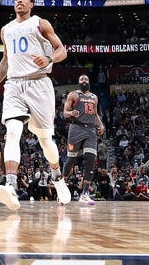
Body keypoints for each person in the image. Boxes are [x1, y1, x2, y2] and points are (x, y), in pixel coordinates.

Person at [0, 0, 72, 211]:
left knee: (45, 140)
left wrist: (49, 57)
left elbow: (62, 50)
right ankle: (10, 185)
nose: (19, 1)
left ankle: (57, 177)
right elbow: (5, 61)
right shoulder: (6, 30)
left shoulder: (40, 23)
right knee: (12, 131)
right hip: (13, 84)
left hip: (39, 82)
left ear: (31, 4)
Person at [60, 72, 105, 204]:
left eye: (86, 79)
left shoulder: (94, 97)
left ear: (89, 82)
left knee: (91, 158)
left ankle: (85, 193)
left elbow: (95, 114)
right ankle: (62, 189)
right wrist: (71, 113)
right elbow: (65, 113)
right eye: (81, 79)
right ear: (79, 82)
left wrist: (101, 124)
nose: (84, 80)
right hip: (76, 129)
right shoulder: (74, 94)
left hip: (90, 129)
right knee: (70, 160)